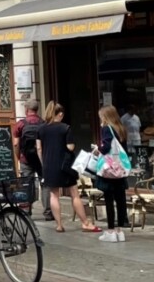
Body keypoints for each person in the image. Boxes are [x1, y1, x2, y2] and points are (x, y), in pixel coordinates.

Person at [36, 102, 96, 233]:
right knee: (75, 194)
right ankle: (85, 223)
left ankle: (59, 225)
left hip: (49, 166)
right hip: (65, 166)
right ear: (60, 114)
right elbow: (70, 147)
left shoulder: (41, 129)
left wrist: (44, 163)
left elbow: (39, 148)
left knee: (54, 195)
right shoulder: (65, 128)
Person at [92, 105, 130, 242]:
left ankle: (110, 231)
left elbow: (106, 147)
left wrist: (98, 149)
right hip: (120, 169)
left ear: (105, 116)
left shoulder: (106, 129)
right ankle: (120, 230)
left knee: (109, 200)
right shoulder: (121, 129)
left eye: (101, 116)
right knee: (121, 200)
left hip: (109, 170)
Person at [15, 105, 53, 220]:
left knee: (27, 183)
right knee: (45, 184)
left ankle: (27, 211)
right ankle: (47, 212)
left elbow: (16, 144)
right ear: (37, 110)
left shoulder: (21, 124)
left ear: (26, 110)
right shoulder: (44, 123)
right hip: (41, 159)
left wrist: (19, 157)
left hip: (25, 159)